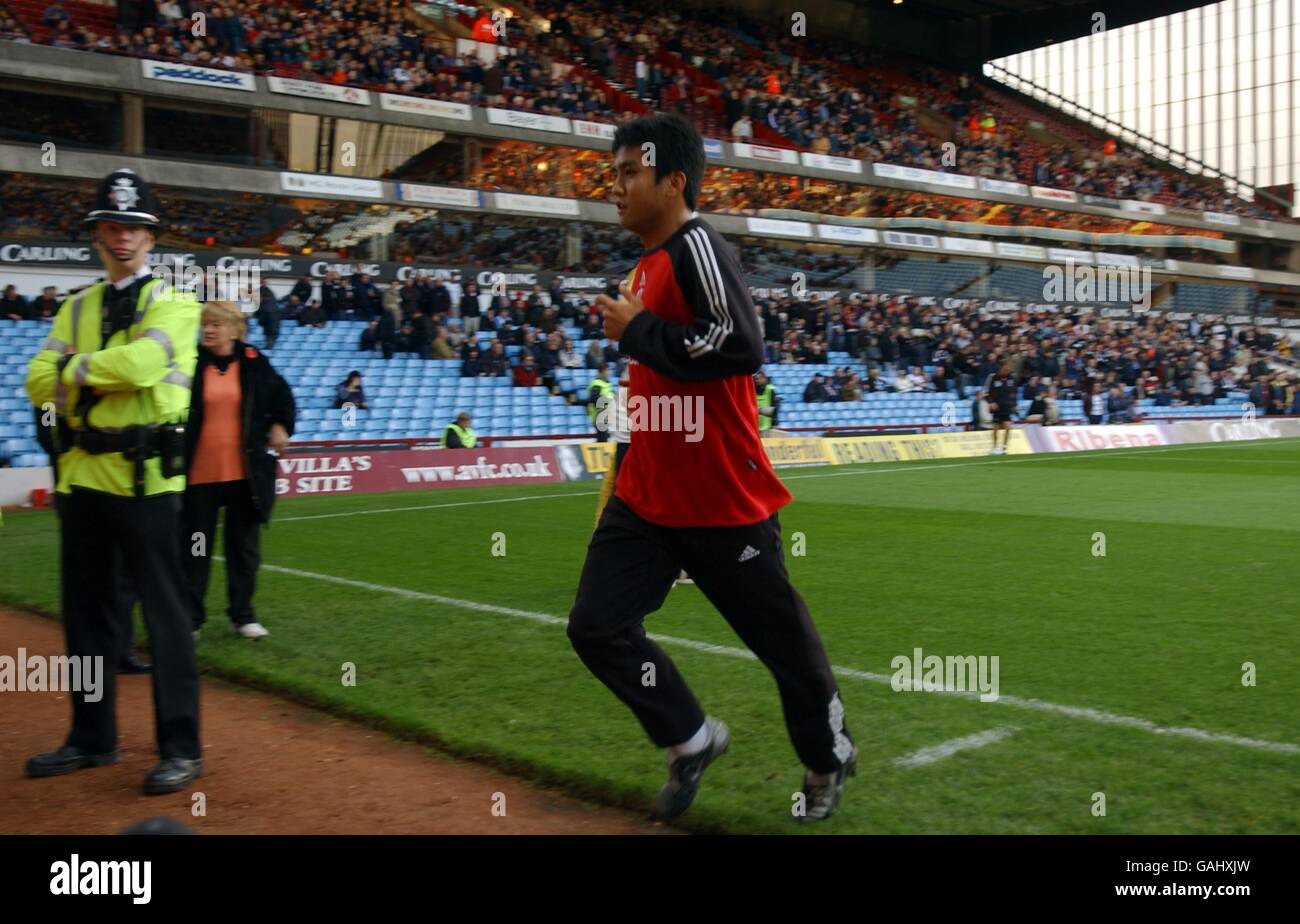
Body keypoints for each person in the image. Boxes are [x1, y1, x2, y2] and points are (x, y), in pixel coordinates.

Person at [569, 114, 855, 823]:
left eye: (630, 173)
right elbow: (653, 389)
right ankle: (690, 738)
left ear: (673, 181)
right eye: (613, 174)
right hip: (647, 501)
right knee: (596, 626)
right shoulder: (644, 265)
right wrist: (619, 477)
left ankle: (827, 760)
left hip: (725, 503)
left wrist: (635, 329)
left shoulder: (696, 246)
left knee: (787, 652)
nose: (617, 187)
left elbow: (738, 344)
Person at [23, 167, 202, 795]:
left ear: (150, 239)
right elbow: (36, 380)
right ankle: (91, 737)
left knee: (166, 618)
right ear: (98, 234)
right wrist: (94, 372)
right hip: (82, 483)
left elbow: (148, 362)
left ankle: (181, 747)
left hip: (145, 483)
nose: (122, 236)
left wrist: (75, 369)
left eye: (134, 227)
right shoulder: (76, 306)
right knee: (87, 621)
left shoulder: (177, 303)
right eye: (112, 225)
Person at [182, 301, 295, 640]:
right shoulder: (189, 362)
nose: (210, 329)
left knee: (243, 549)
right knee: (194, 547)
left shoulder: (254, 362)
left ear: (235, 328)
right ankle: (190, 619)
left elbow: (282, 396)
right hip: (197, 476)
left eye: (217, 323)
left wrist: (280, 425)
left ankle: (243, 615)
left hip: (244, 475)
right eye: (206, 324)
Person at [984, 362, 1017, 454]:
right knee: (995, 428)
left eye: (1008, 369)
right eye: (1005, 369)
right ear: (1000, 369)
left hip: (1007, 407)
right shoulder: (992, 377)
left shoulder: (1011, 378)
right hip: (996, 408)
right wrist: (991, 403)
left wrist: (1014, 403)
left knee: (1008, 427)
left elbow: (1014, 393)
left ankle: (1004, 448)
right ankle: (994, 447)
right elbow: (986, 393)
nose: (1007, 371)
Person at [586, 362, 614, 442]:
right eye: (607, 370)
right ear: (602, 371)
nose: (609, 372)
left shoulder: (606, 384)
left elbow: (611, 395)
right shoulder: (596, 384)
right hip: (599, 415)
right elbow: (595, 399)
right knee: (603, 439)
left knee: (602, 439)